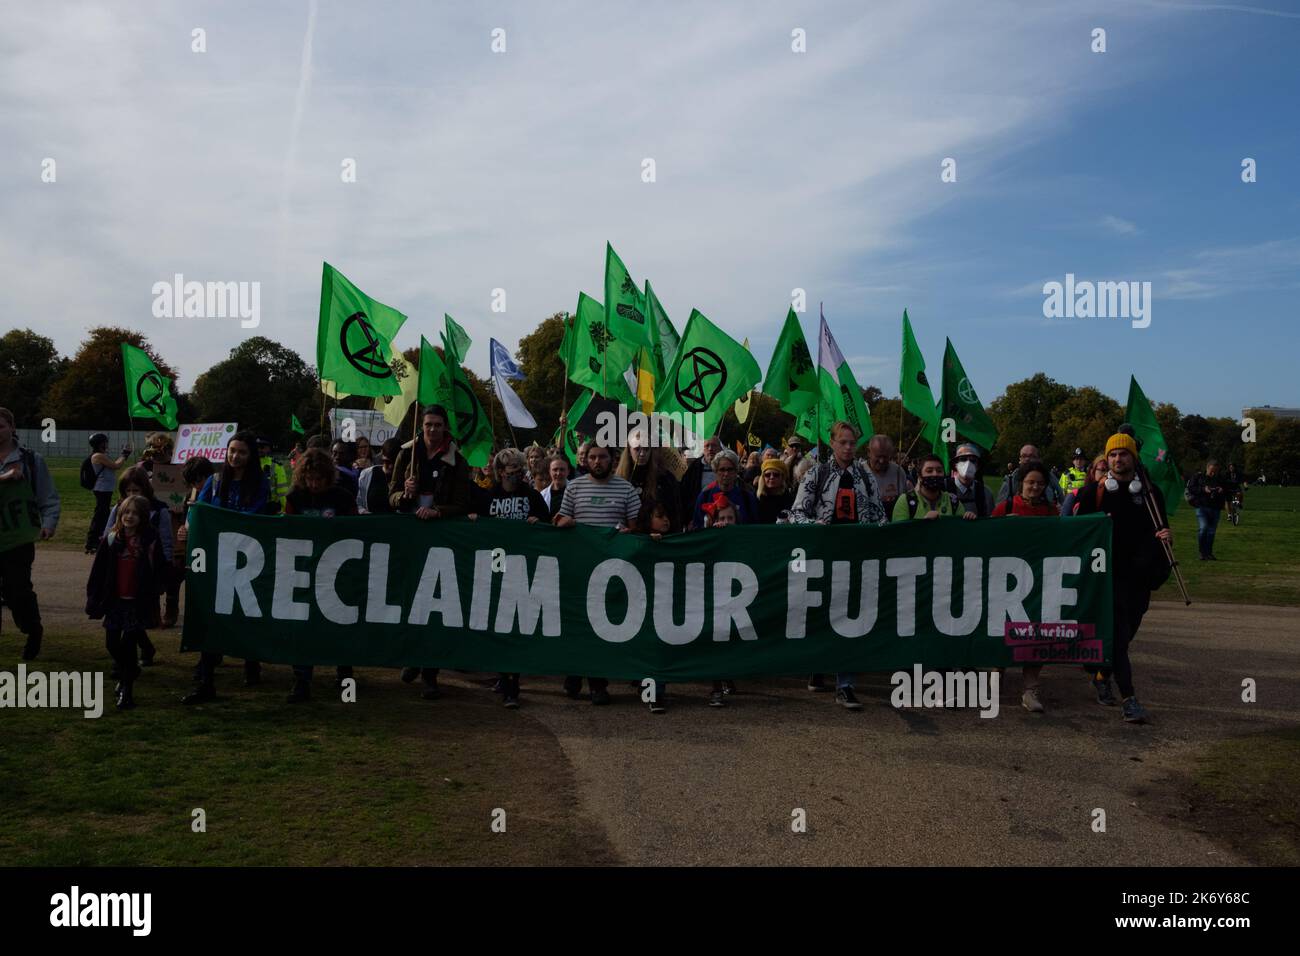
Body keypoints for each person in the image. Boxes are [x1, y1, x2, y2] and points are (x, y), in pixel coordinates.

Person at [788, 420, 888, 707]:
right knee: (821, 613)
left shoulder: (865, 476)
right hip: (823, 556)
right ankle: (817, 666)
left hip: (856, 557)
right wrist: (815, 526)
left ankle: (845, 684)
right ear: (831, 443)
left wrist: (873, 529)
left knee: (849, 616)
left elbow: (880, 514)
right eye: (842, 442)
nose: (847, 447)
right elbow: (796, 514)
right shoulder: (816, 473)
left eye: (851, 442)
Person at [1075, 433, 1172, 723]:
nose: (1118, 459)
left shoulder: (1151, 494)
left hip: (1140, 577)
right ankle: (1129, 698)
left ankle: (1102, 674)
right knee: (1118, 636)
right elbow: (1078, 533)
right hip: (1107, 577)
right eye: (1113, 455)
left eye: (1124, 454)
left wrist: (1166, 537)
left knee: (1125, 636)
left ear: (1134, 458)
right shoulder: (1093, 493)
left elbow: (1161, 530)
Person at [181, 430, 271, 704]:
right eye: (232, 450)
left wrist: (224, 521)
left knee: (246, 612)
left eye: (242, 451)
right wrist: (189, 527)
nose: (235, 456)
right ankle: (206, 677)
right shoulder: (215, 481)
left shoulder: (260, 484)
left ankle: (251, 660)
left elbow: (254, 516)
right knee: (213, 613)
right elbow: (198, 510)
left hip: (246, 561)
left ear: (251, 455)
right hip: (217, 559)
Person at [390, 405, 471, 700]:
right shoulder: (406, 454)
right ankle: (413, 656)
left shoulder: (457, 462)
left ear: (445, 427)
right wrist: (404, 494)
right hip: (410, 537)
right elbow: (391, 494)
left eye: (438, 425)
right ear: (420, 426)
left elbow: (463, 503)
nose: (432, 430)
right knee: (409, 601)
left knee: (436, 604)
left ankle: (430, 673)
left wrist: (438, 511)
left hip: (439, 539)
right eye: (428, 425)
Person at [554, 441, 641, 705]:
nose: (596, 461)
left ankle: (598, 683)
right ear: (585, 460)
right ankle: (573, 674)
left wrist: (627, 533)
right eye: (592, 457)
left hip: (611, 571)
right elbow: (557, 519)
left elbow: (636, 526)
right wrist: (564, 522)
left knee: (601, 628)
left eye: (602, 457)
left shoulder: (625, 488)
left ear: (612, 459)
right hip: (579, 568)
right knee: (577, 625)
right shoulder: (574, 487)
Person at [468, 448, 551, 708]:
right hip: (494, 569)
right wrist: (473, 520)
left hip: (522, 569)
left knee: (517, 625)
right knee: (499, 625)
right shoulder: (488, 496)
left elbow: (548, 526)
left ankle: (513, 683)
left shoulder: (532, 496)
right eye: (509, 469)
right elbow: (475, 524)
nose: (514, 473)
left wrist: (539, 522)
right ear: (500, 471)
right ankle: (504, 676)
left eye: (518, 468)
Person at [283, 449, 359, 703]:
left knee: (341, 623)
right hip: (304, 570)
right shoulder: (295, 497)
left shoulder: (342, 497)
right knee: (302, 624)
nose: (314, 485)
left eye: (319, 479)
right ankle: (301, 679)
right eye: (310, 479)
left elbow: (356, 531)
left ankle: (345, 673)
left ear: (328, 477)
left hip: (337, 570)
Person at [986, 460, 1057, 712]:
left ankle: (1030, 689)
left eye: (1039, 483)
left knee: (1036, 633)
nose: (1034, 487)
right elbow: (988, 536)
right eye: (1030, 482)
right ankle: (997, 675)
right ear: (1021, 484)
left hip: (1039, 583)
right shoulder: (1004, 507)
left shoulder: (1052, 511)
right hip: (1007, 581)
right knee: (1001, 629)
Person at [85, 495, 166, 710]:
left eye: (135, 513)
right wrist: (93, 597)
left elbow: (159, 566)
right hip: (115, 602)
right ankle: (129, 671)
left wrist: (158, 588)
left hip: (136, 602)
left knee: (129, 646)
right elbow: (98, 571)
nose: (130, 517)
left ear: (143, 517)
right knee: (112, 644)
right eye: (126, 512)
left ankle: (127, 691)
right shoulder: (112, 539)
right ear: (120, 514)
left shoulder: (149, 539)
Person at [0, 407, 59, 661]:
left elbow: (48, 496)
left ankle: (32, 628)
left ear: (12, 427)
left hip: (19, 538)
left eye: (1, 426)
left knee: (18, 590)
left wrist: (49, 522)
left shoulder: (31, 460)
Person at [102, 466, 173, 666]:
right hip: (120, 575)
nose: (131, 495)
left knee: (137, 617)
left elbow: (165, 544)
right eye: (128, 491)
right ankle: (140, 652)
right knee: (126, 619)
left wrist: (162, 574)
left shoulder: (159, 510)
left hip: (145, 575)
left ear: (145, 489)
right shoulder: (118, 509)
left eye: (136, 491)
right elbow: (107, 535)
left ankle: (127, 666)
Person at [700, 493, 741, 707]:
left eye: (730, 519)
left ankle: (728, 676)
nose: (725, 523)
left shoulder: (744, 541)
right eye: (722, 519)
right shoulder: (705, 539)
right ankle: (715, 687)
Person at [617, 430, 682, 531]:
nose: (642, 454)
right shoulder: (620, 479)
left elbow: (675, 511)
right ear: (629, 450)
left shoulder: (664, 478)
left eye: (646, 449)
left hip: (659, 537)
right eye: (637, 449)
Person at [85, 433, 132, 553]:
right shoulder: (98, 456)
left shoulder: (101, 455)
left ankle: (98, 539)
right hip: (102, 489)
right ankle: (92, 541)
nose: (107, 444)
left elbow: (113, 465)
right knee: (100, 515)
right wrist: (124, 455)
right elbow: (116, 465)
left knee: (103, 514)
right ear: (101, 443)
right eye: (105, 442)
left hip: (105, 489)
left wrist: (123, 455)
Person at [690, 449, 757, 529]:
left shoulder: (747, 498)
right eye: (722, 470)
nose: (726, 474)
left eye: (730, 469)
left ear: (736, 471)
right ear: (715, 472)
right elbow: (696, 529)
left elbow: (755, 530)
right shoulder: (704, 497)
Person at [892, 455, 970, 521]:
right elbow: (899, 535)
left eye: (939, 471)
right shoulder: (905, 501)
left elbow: (960, 531)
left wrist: (969, 518)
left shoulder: (953, 501)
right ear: (920, 477)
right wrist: (924, 524)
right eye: (929, 471)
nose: (935, 474)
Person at [996, 444, 1064, 510]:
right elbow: (999, 508)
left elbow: (1062, 499)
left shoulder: (1050, 477)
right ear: (1020, 459)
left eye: (1032, 456)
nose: (1027, 459)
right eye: (1024, 456)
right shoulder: (1010, 480)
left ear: (1039, 459)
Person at [1185, 459, 1228, 560]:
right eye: (1212, 471)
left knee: (1211, 532)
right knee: (1203, 528)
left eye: (1215, 471)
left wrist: (1222, 489)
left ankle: (1208, 553)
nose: (1213, 473)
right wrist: (1203, 489)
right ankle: (1202, 552)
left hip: (1215, 507)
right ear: (1207, 468)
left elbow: (1227, 490)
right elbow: (1191, 488)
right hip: (1202, 506)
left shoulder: (1220, 478)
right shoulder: (1198, 476)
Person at [678, 435, 721, 526]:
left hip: (721, 518)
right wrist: (688, 519)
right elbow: (684, 495)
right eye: (707, 446)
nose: (710, 449)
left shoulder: (727, 466)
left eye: (714, 445)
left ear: (720, 448)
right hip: (698, 519)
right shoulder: (694, 468)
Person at [990, 460, 1059, 517]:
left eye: (1041, 483)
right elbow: (991, 530)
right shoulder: (1005, 508)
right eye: (1031, 482)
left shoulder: (1051, 510)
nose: (1035, 487)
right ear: (1021, 482)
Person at [865, 435, 912, 514]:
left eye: (885, 457)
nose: (881, 461)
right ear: (869, 452)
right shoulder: (859, 472)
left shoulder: (898, 471)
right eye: (878, 456)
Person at [947, 442, 994, 518]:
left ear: (977, 466)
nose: (968, 463)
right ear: (955, 464)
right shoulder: (944, 489)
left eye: (973, 460)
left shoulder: (986, 493)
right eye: (963, 459)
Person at [357, 437, 400, 514]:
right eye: (387, 461)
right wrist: (364, 512)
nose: (390, 466)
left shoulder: (406, 477)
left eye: (394, 463)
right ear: (382, 457)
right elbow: (359, 504)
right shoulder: (367, 474)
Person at [257, 437, 291, 515]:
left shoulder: (276, 465)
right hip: (250, 505)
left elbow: (282, 491)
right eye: (256, 447)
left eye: (262, 447)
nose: (259, 449)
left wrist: (284, 508)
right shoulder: (246, 463)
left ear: (268, 449)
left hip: (269, 506)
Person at [755, 458, 795, 523]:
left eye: (776, 475)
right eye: (767, 475)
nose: (771, 477)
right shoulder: (755, 498)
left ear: (782, 478)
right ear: (763, 478)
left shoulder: (790, 499)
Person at [541, 455, 570, 520]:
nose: (558, 473)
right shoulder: (542, 495)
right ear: (549, 472)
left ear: (568, 471)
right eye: (555, 469)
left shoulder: (577, 491)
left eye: (562, 469)